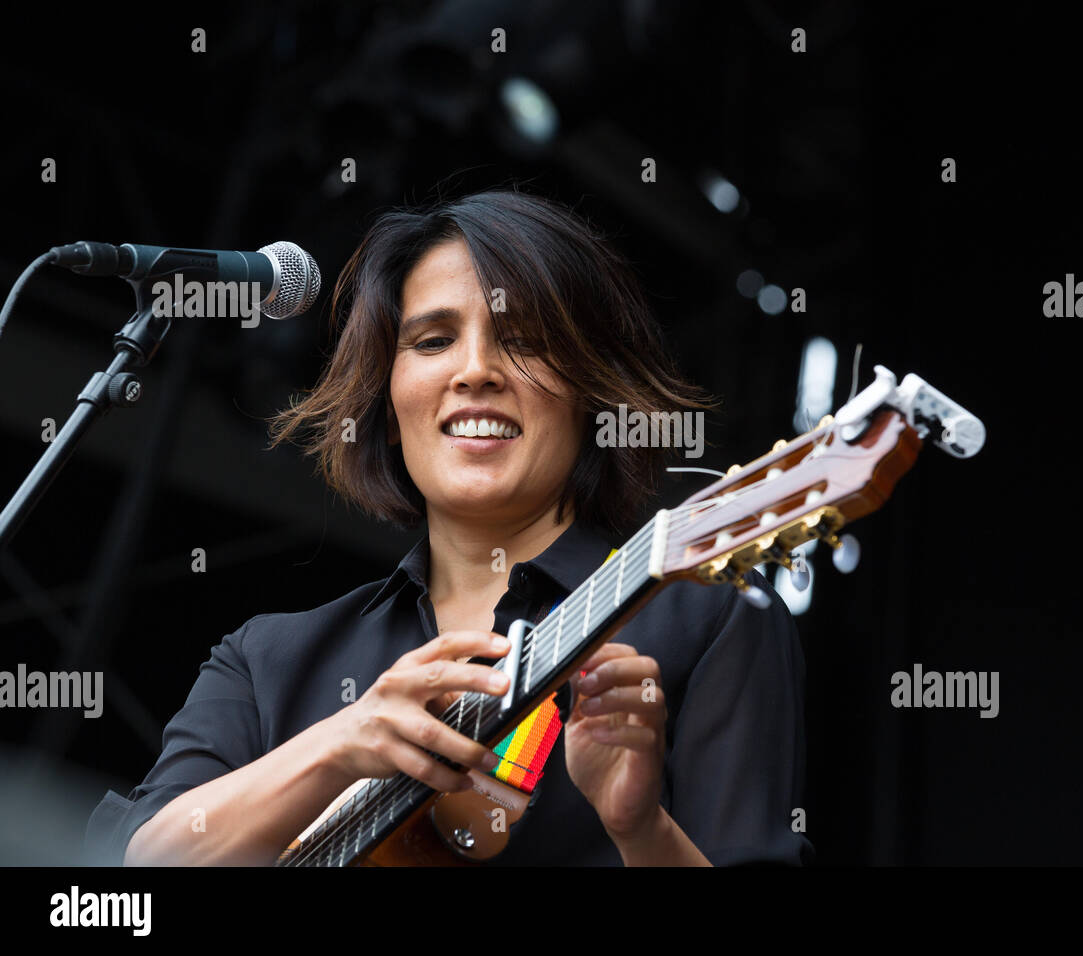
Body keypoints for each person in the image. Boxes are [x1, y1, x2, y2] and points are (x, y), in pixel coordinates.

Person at [83, 187, 814, 866]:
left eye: (523, 342)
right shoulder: (269, 658)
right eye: (432, 341)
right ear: (387, 399)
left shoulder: (704, 620)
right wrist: (347, 739)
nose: (475, 370)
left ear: (591, 392)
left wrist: (640, 828)